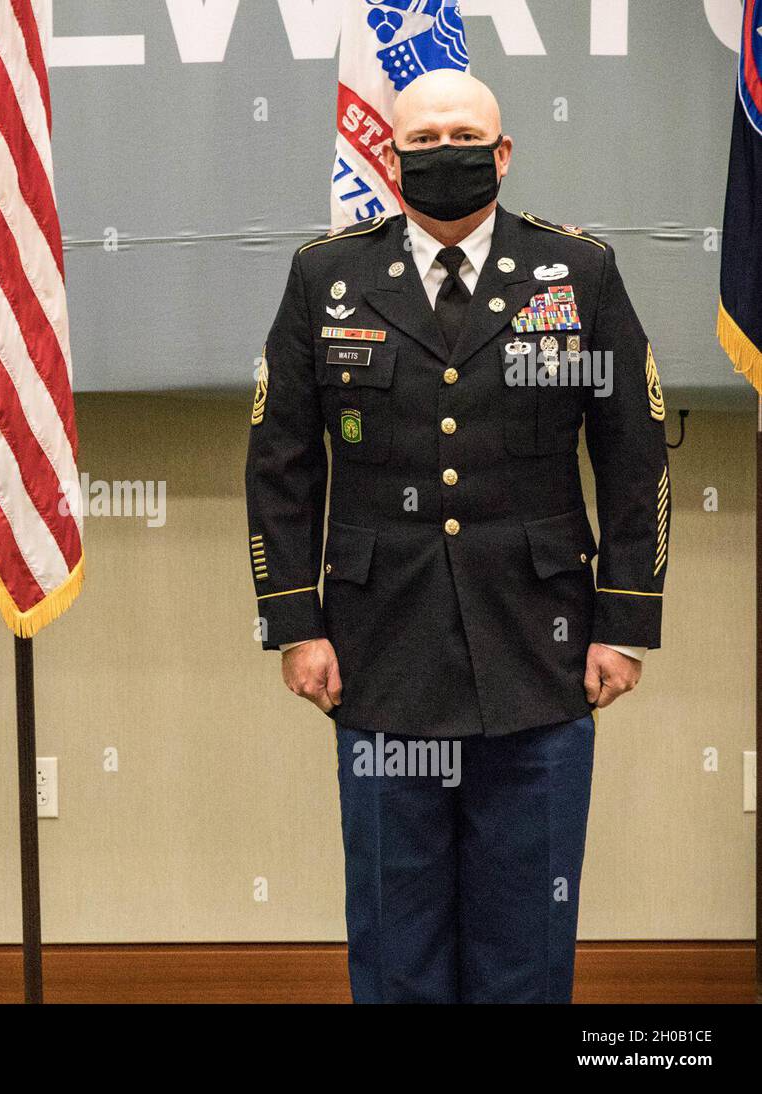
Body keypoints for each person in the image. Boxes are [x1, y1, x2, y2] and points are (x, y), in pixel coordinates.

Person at [245, 71, 669, 1002]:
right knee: (397, 945)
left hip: (543, 651)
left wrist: (625, 621)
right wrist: (294, 624)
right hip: (378, 651)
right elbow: (280, 463)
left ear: (504, 152)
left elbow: (634, 456)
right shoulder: (329, 275)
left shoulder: (577, 271)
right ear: (392, 158)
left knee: (528, 942)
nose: (446, 152)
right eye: (424, 139)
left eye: (465, 135)